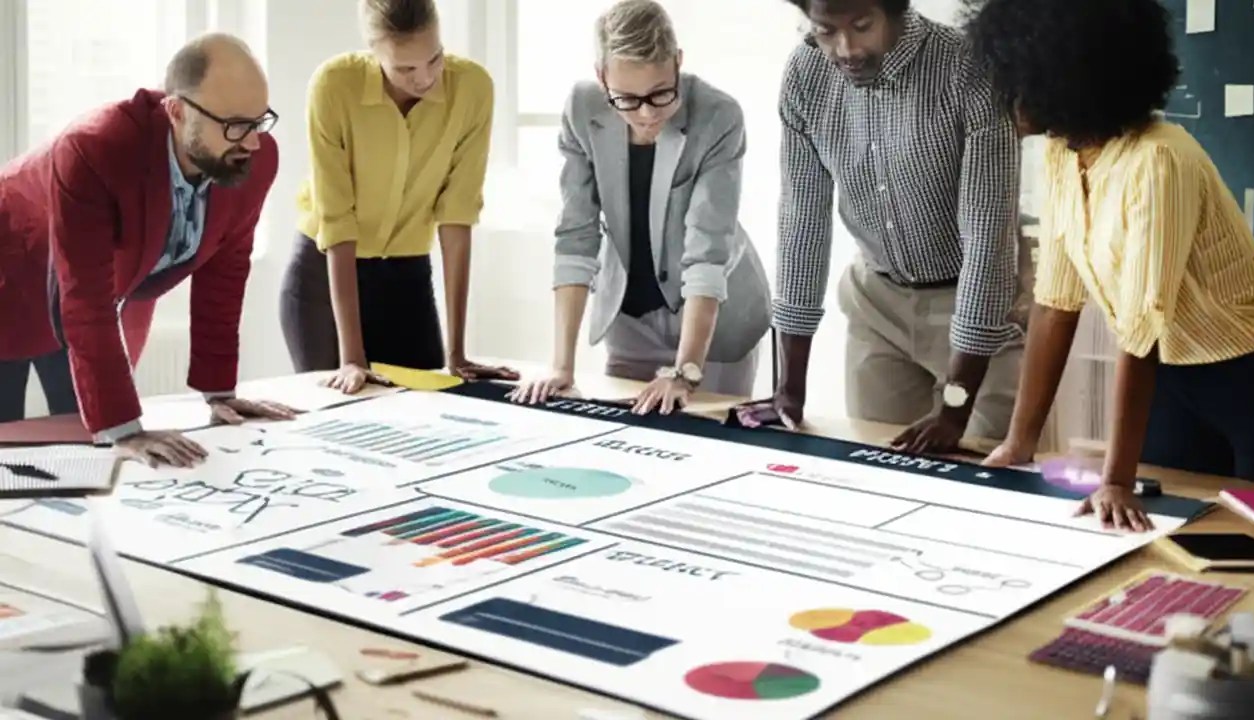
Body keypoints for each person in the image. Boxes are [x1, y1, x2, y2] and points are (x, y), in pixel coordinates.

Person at [970, 0, 1254, 531]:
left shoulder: (1158, 159)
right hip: (1171, 378)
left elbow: (1140, 328)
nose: (1007, 102)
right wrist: (1019, 442)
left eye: (1019, 83)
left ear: (1067, 77)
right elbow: (1055, 303)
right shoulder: (1063, 153)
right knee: (1169, 530)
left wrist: (1115, 478)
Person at [733, 0, 1027, 454]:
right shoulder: (805, 74)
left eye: (862, 26)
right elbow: (801, 224)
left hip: (978, 306)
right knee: (879, 471)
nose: (846, 48)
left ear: (893, 9)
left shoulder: (966, 66)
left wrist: (954, 407)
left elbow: (987, 236)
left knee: (978, 477)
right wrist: (787, 388)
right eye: (826, 31)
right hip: (877, 306)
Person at [0, 33, 293, 468]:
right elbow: (84, 297)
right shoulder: (95, 148)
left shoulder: (253, 158)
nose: (251, 142)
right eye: (235, 125)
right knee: (10, 448)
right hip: (12, 274)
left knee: (90, 452)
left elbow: (225, 273)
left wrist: (220, 392)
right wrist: (123, 429)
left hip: (93, 297)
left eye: (258, 121)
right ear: (176, 111)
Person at [508, 0, 771, 414]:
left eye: (661, 94)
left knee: (705, 441)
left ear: (678, 64)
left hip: (716, 324)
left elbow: (708, 249)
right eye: (627, 99)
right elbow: (576, 237)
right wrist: (561, 366)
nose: (647, 114)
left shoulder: (719, 115)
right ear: (601, 77)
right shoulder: (582, 107)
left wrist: (684, 374)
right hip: (630, 315)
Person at [281, 0, 517, 394]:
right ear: (374, 53)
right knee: (338, 419)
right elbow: (337, 220)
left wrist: (456, 352)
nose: (425, 78)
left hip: (406, 277)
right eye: (405, 68)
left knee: (428, 412)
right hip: (325, 275)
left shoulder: (472, 88)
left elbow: (457, 213)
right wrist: (352, 358)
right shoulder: (334, 85)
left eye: (434, 58)